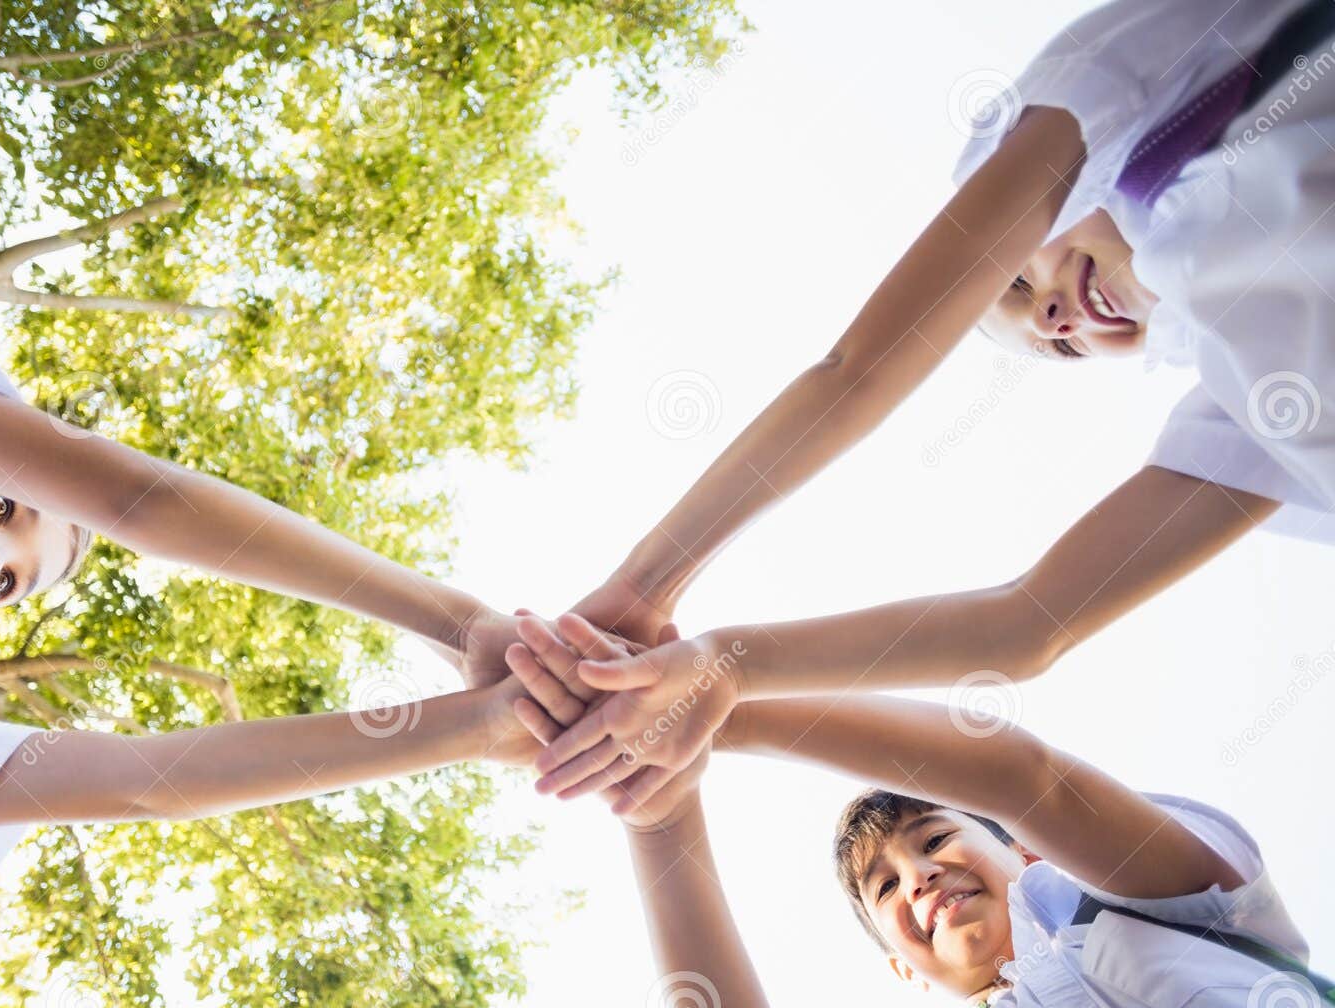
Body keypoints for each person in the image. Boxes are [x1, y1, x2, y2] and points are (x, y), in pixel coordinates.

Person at [547, 0, 1335, 791]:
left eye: (1018, 275)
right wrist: (726, 663)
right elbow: (1032, 622)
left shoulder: (1147, 108)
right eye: (1056, 343)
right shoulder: (1250, 398)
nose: (1054, 314)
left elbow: (857, 371)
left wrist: (647, 583)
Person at [0, 288, 538, 942]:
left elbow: (150, 783)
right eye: (9, 506)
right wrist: (459, 623)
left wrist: (482, 725)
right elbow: (137, 500)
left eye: (11, 585)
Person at [505, 618, 1335, 1008]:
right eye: (886, 890)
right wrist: (661, 807)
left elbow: (1028, 778)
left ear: (1032, 855)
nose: (920, 877)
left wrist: (718, 713)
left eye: (936, 836)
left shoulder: (1174, 907)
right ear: (902, 967)